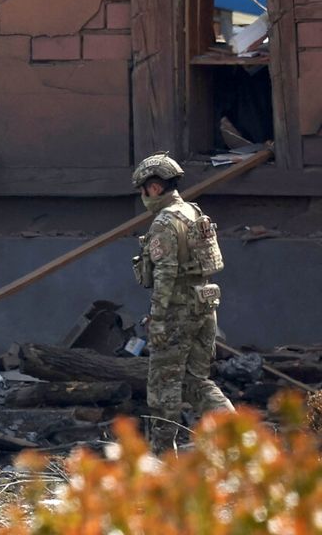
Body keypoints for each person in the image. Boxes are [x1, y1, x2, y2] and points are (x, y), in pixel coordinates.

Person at [133, 154, 234, 449]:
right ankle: (242, 440)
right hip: (204, 304)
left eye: (143, 189)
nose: (143, 196)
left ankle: (163, 459)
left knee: (163, 388)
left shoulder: (164, 222)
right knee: (196, 381)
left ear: (154, 188)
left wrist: (158, 318)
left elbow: (165, 272)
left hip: (177, 310)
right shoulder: (192, 211)